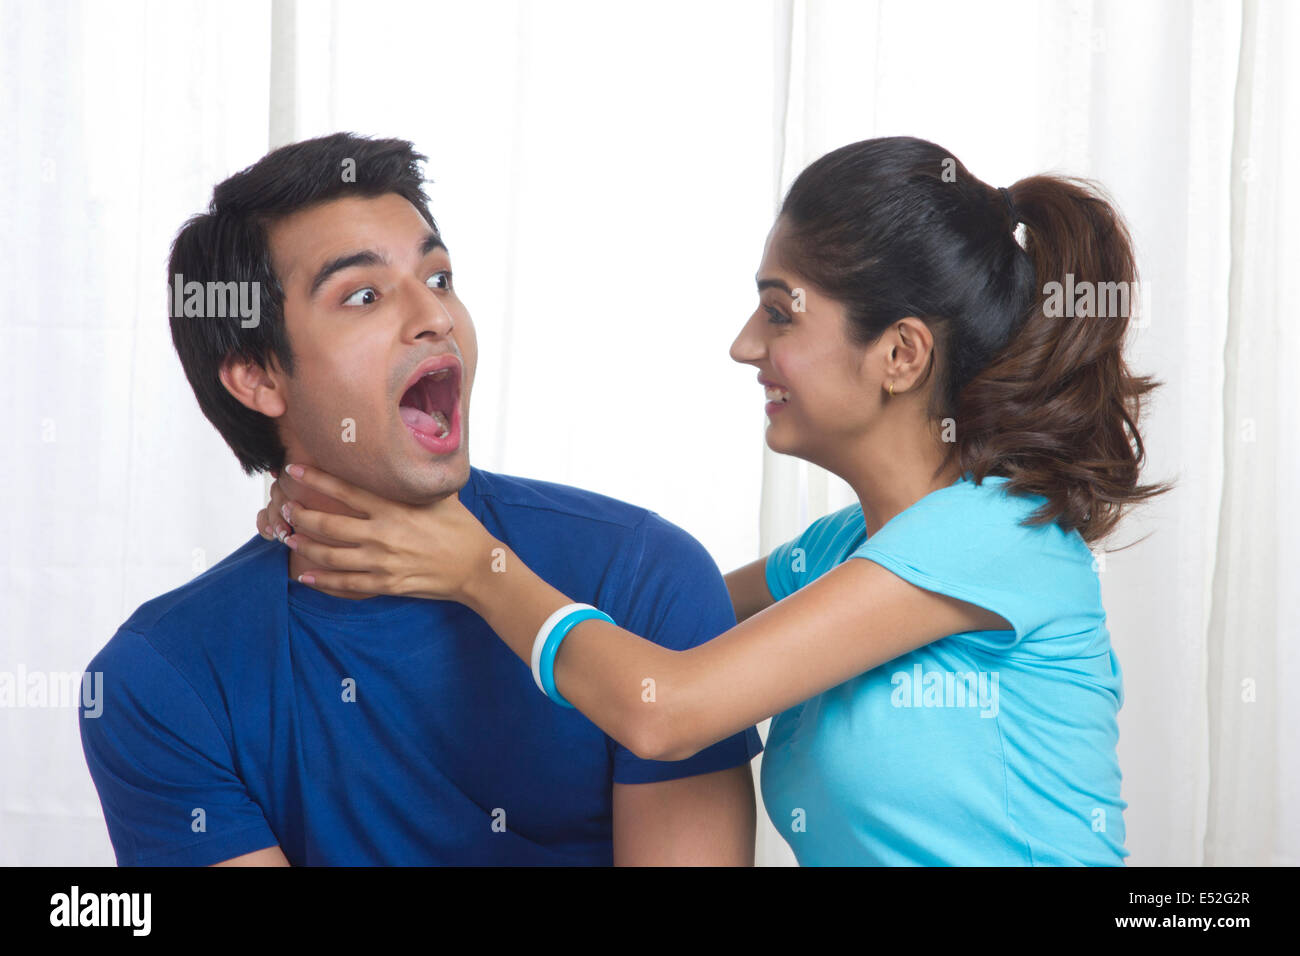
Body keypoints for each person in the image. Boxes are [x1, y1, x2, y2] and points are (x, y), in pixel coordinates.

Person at [260, 136, 1174, 866]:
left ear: (900, 355)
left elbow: (666, 708)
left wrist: (476, 567)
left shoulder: (994, 534)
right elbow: (644, 614)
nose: (745, 346)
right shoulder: (839, 550)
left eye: (781, 312)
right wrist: (351, 516)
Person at [78, 132, 763, 867]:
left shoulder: (645, 578)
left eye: (438, 278)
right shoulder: (161, 681)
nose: (435, 317)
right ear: (257, 378)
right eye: (365, 295)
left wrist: (486, 576)